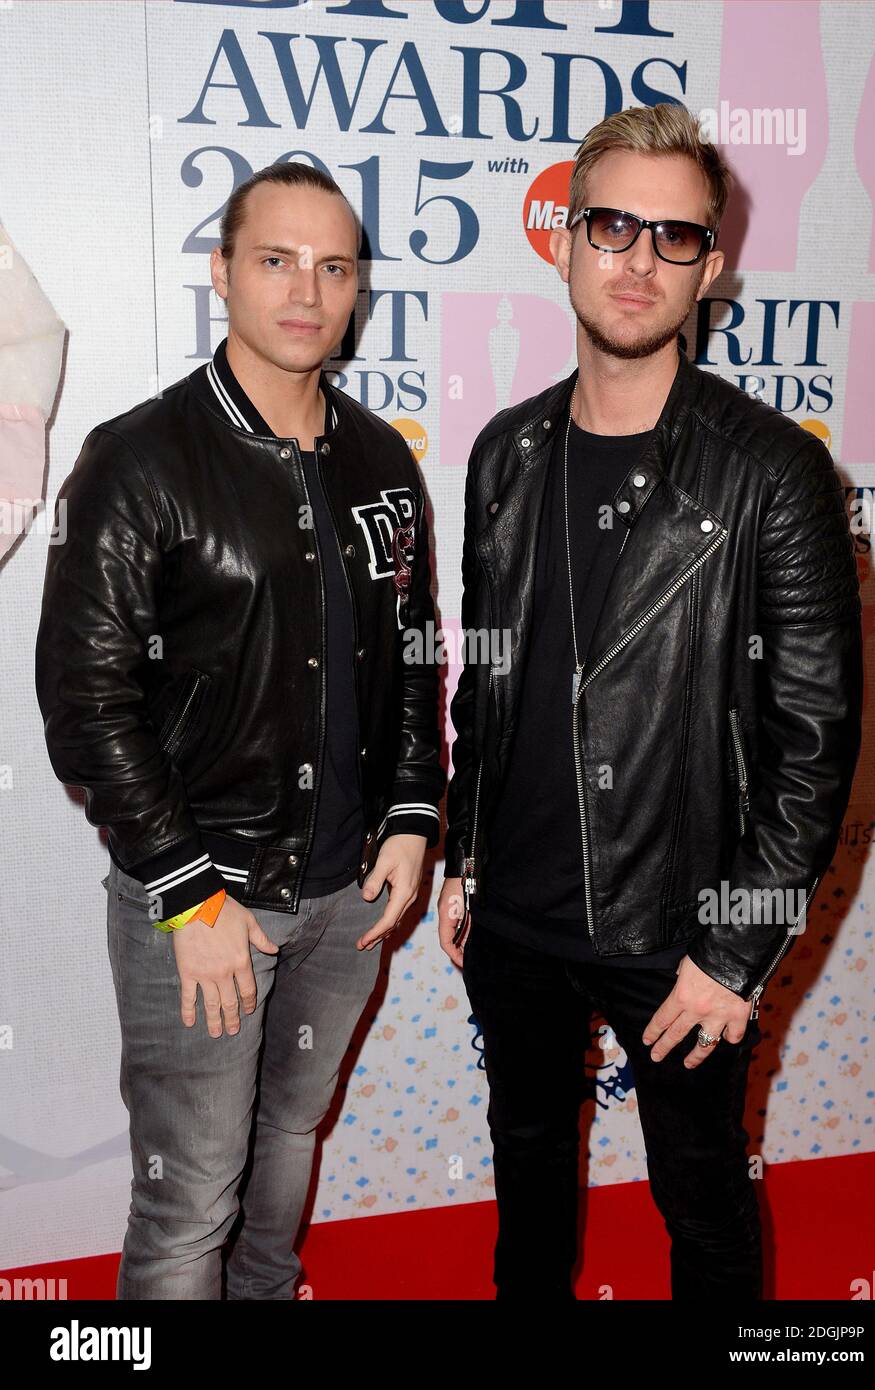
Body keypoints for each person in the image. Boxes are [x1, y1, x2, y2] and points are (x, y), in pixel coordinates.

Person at [437, 103, 862, 1301]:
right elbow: (491, 674)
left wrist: (732, 955)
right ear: (563, 239)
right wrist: (466, 853)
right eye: (612, 225)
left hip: (679, 930)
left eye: (673, 237)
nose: (637, 260)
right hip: (514, 918)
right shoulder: (503, 454)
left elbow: (812, 744)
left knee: (700, 1197)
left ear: (710, 266)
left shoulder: (772, 469)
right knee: (525, 1175)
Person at [35, 162, 445, 1299]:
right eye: (276, 260)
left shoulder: (380, 460)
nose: (305, 290)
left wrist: (413, 815)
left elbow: (413, 652)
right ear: (222, 274)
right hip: (209, 901)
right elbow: (84, 699)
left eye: (333, 266)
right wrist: (185, 888)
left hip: (346, 899)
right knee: (187, 1207)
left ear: (357, 289)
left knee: (283, 1158)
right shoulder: (140, 457)